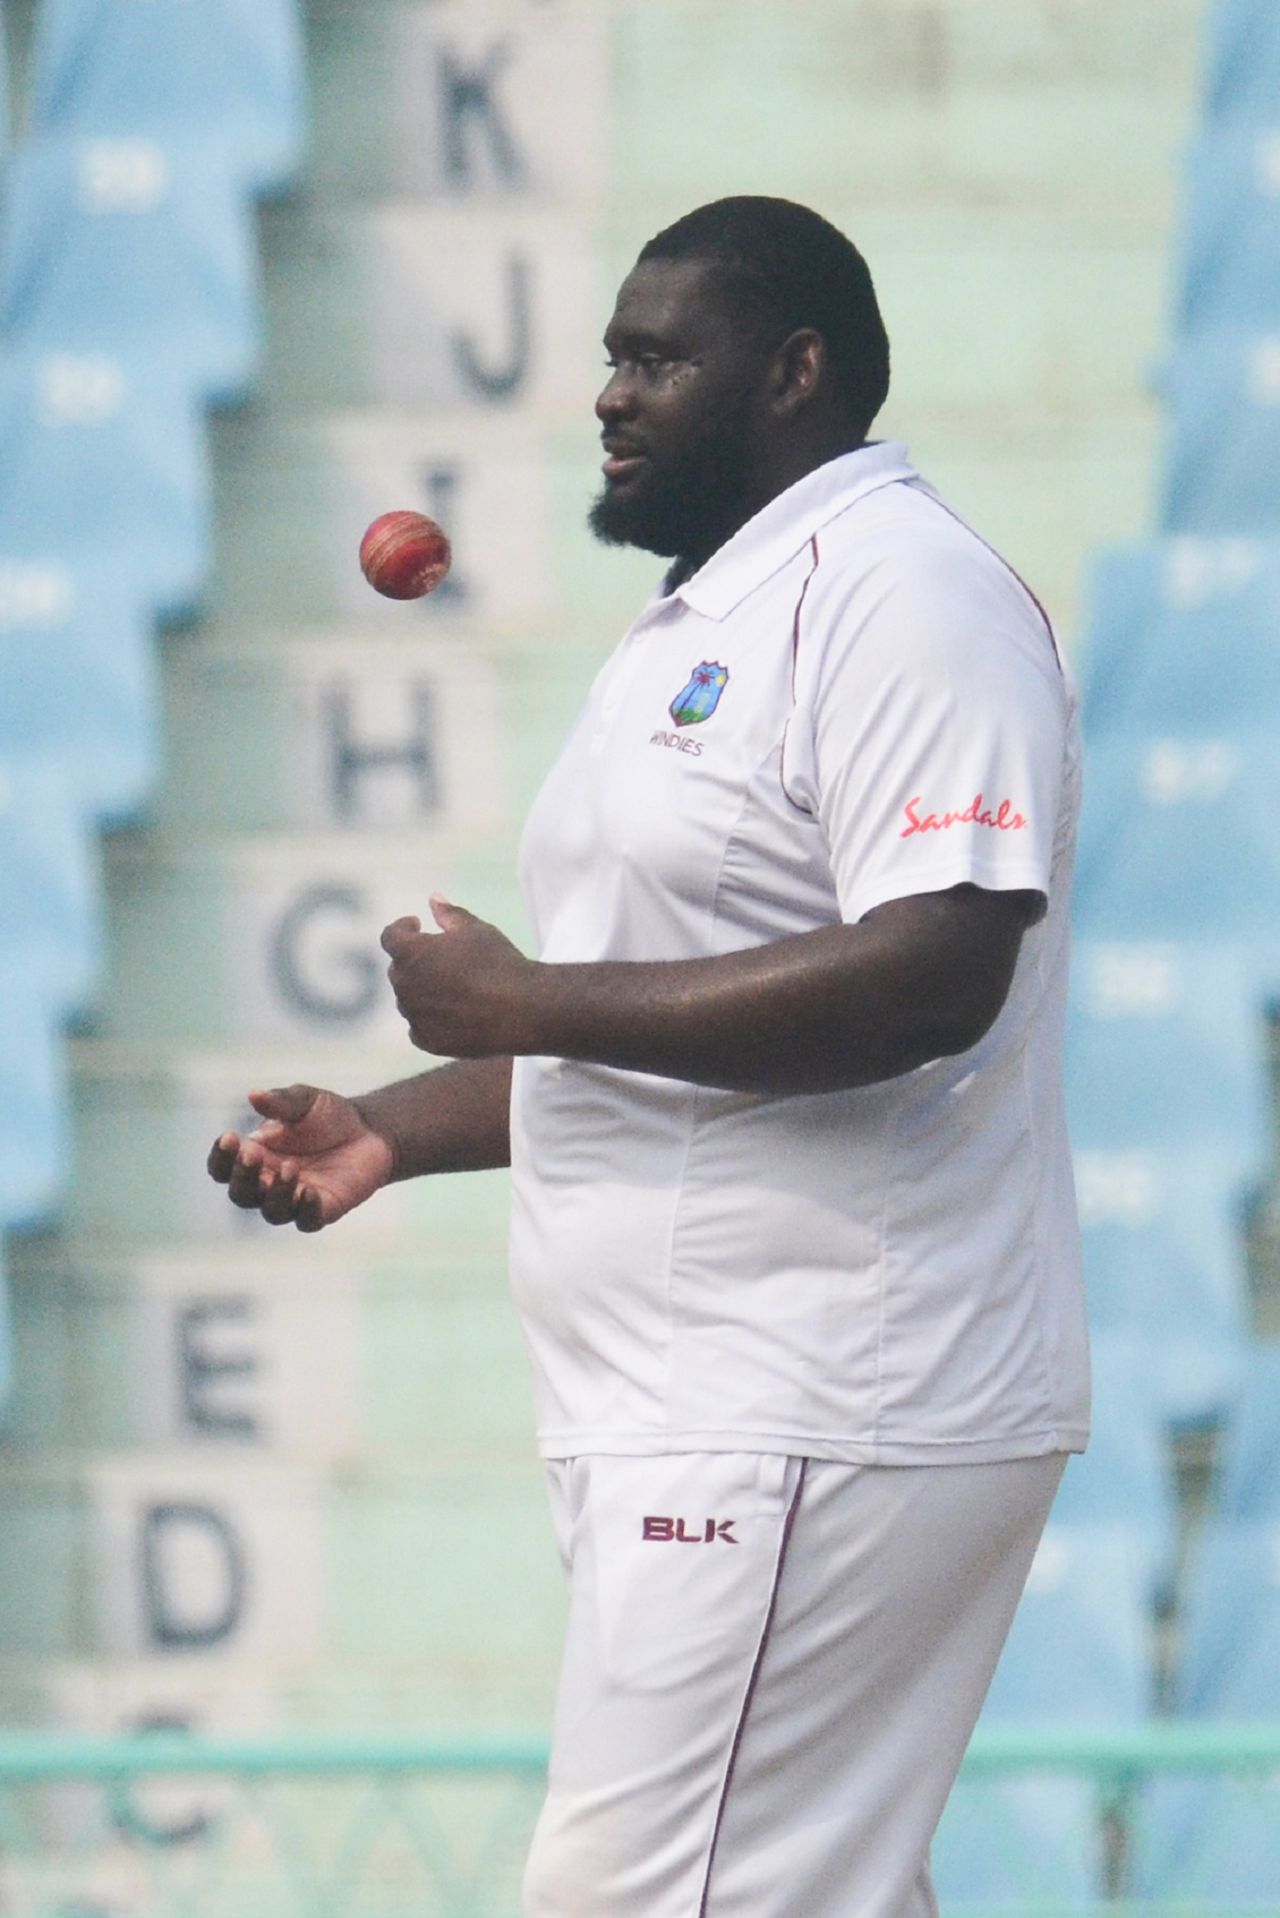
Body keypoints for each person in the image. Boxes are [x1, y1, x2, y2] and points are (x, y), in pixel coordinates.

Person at [209, 196, 1088, 1918]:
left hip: (818, 1392)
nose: (609, 394)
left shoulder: (904, 592)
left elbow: (934, 970)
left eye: (657, 356)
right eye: (613, 354)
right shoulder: (706, 621)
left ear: (798, 371)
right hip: (703, 1409)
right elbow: (680, 1014)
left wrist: (528, 1003)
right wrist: (392, 1123)